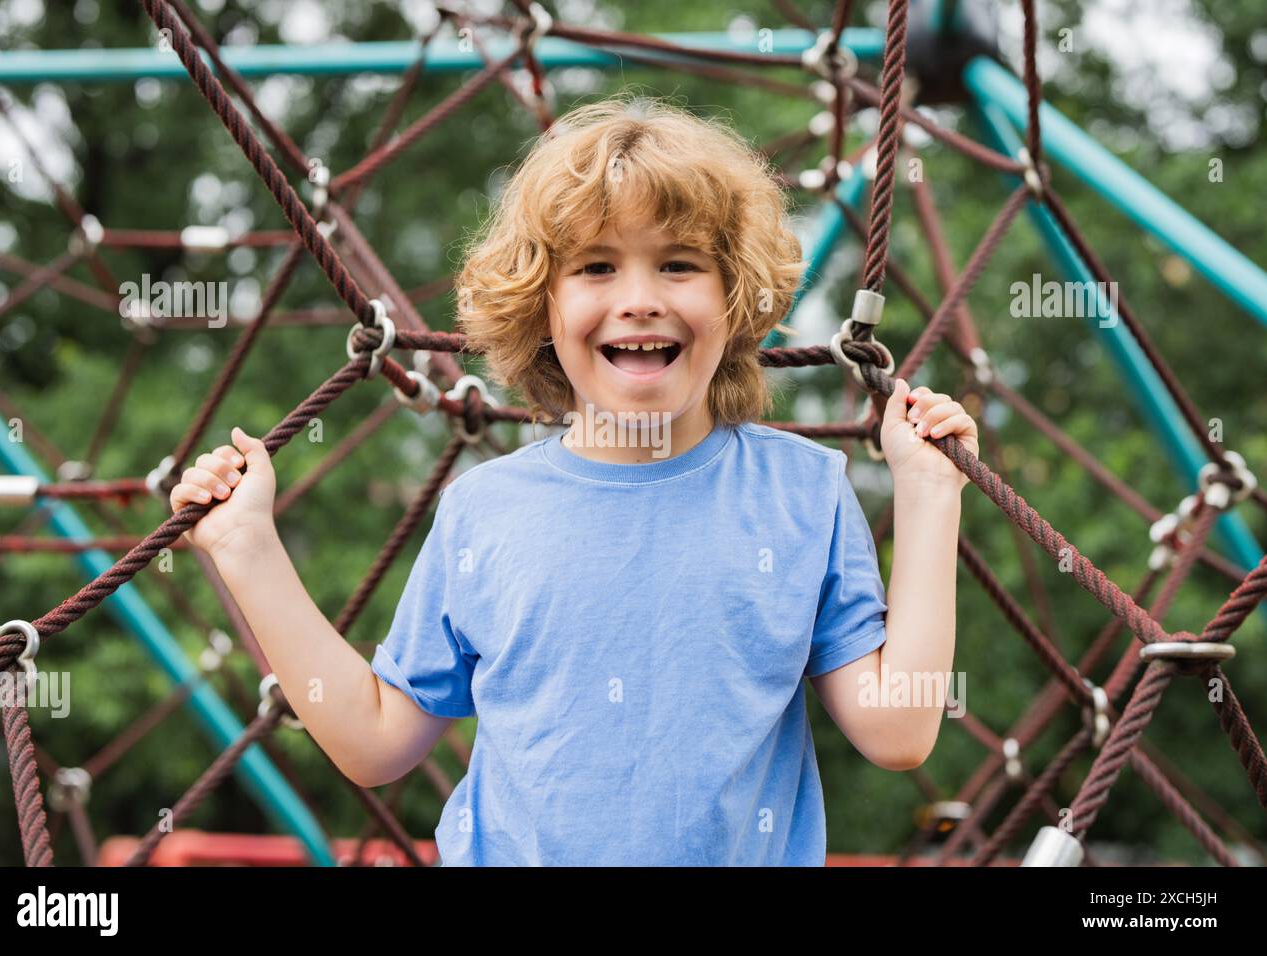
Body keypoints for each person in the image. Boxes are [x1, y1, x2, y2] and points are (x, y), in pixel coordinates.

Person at [170, 92, 979, 866]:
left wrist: (929, 494)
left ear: (734, 298)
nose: (638, 300)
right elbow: (376, 740)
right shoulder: (484, 513)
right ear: (542, 310)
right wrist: (248, 552)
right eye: (595, 267)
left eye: (679, 265)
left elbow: (899, 731)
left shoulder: (803, 492)